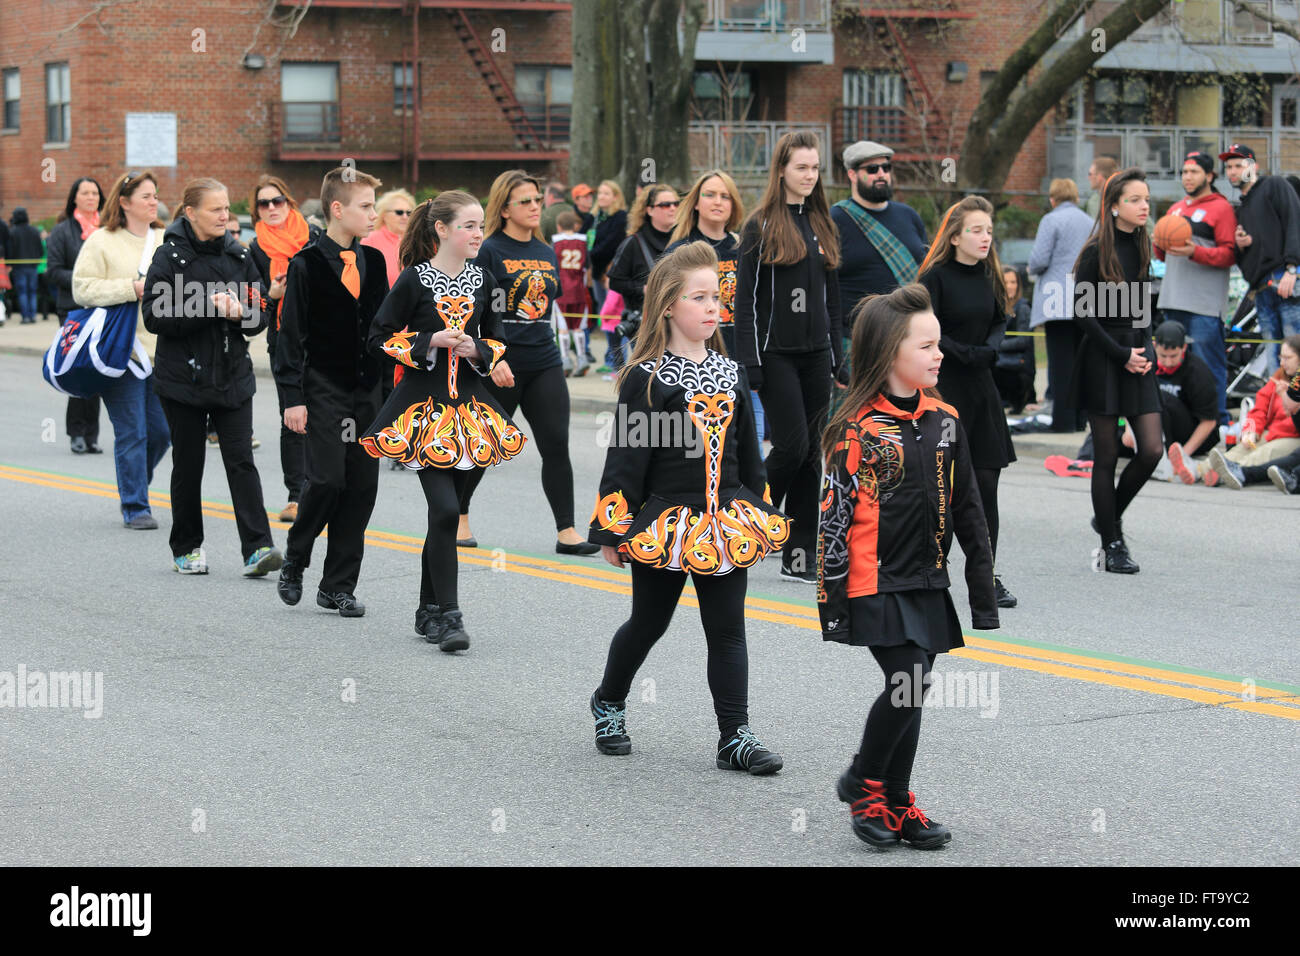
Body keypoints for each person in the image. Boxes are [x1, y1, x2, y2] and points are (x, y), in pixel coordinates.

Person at [587, 240, 787, 773]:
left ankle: (734, 737)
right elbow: (627, 457)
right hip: (667, 521)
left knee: (727, 629)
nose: (712, 307)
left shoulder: (731, 370)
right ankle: (609, 700)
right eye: (699, 297)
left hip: (726, 520)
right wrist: (614, 527)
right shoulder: (645, 377)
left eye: (716, 296)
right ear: (669, 305)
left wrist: (764, 516)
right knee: (649, 623)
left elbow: (750, 454)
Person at [818, 282, 998, 850]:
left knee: (914, 684)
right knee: (910, 680)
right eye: (925, 346)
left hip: (925, 577)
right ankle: (864, 784)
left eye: (938, 343)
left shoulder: (945, 418)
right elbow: (831, 520)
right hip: (872, 579)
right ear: (889, 353)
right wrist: (833, 602)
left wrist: (981, 588)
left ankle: (896, 797)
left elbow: (969, 505)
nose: (938, 355)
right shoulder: (855, 429)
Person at [359, 191, 526, 651]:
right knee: (447, 511)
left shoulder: (486, 280)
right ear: (442, 229)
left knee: (444, 517)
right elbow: (377, 337)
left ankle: (428, 610)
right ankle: (450, 618)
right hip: (422, 411)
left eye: (480, 226)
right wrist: (429, 339)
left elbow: (498, 340)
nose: (478, 235)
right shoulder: (414, 279)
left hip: (471, 413)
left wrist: (479, 350)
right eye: (469, 226)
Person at [141, 178, 281, 576]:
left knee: (241, 462)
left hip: (232, 376)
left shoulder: (239, 255)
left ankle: (258, 547)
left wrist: (243, 313)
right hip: (182, 380)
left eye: (227, 209)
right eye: (215, 209)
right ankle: (186, 547)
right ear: (190, 213)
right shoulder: (168, 257)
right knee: (189, 465)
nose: (225, 216)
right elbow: (153, 315)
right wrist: (208, 305)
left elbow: (260, 316)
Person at [454, 170, 598, 556]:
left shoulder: (546, 250)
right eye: (526, 201)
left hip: (544, 358)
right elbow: (473, 311)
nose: (536, 207)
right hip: (501, 359)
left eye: (538, 199)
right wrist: (490, 356)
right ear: (504, 208)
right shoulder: (488, 250)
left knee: (556, 443)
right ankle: (460, 515)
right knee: (485, 443)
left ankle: (566, 530)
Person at [272, 167, 387, 617]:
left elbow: (383, 333)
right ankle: (297, 556)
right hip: (322, 389)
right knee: (326, 480)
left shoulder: (374, 262)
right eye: (365, 206)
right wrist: (292, 399)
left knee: (361, 487)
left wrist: (388, 398)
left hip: (367, 393)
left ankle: (337, 584)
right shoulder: (306, 265)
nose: (373, 215)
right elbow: (291, 339)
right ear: (337, 210)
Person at [734, 130, 843, 583]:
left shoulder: (824, 223)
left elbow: (832, 301)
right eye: (801, 167)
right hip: (774, 355)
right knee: (792, 446)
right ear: (781, 170)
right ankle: (747, 521)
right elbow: (745, 301)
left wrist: (840, 357)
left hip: (817, 354)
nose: (809, 176)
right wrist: (750, 362)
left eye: (815, 168)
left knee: (813, 457)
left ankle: (800, 557)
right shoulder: (759, 226)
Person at [918, 196, 1018, 607]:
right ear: (955, 235)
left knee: (987, 483)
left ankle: (986, 574)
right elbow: (927, 328)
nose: (984, 237)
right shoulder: (935, 277)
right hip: (945, 388)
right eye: (976, 230)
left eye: (989, 231)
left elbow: (999, 320)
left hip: (982, 390)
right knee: (942, 485)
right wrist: (962, 352)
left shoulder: (991, 275)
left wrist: (989, 350)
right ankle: (930, 566)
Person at [1068, 167, 1159, 574]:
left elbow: (1144, 312)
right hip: (1104, 356)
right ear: (1115, 206)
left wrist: (1147, 350)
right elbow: (1083, 315)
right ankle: (1112, 543)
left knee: (1152, 450)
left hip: (1137, 355)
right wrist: (1121, 354)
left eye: (1146, 199)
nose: (1144, 206)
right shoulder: (1094, 252)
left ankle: (1107, 516)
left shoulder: (1143, 246)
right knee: (1105, 455)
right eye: (1136, 200)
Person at [72, 170, 171, 530]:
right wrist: (132, 288)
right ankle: (135, 506)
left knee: (161, 433)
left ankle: (135, 482)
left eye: (155, 195)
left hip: (162, 353)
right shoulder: (102, 240)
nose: (153, 201)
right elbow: (82, 289)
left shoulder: (166, 238)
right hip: (120, 352)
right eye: (145, 196)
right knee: (133, 431)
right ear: (125, 202)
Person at [247, 174, 321, 523]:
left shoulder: (314, 237)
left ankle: (322, 488)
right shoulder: (255, 249)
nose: (272, 207)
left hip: (321, 337)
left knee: (323, 414)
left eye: (277, 201)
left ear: (289, 203)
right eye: (264, 203)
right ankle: (296, 494)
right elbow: (253, 303)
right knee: (292, 414)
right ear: (256, 211)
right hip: (283, 340)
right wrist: (271, 296)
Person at [1154, 151, 1237, 426]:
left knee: (1208, 367)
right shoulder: (1175, 208)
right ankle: (1184, 424)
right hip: (1173, 299)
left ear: (1210, 176)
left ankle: (1219, 426)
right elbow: (1163, 256)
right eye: (1185, 172)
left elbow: (1229, 255)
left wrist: (1195, 251)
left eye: (1194, 172)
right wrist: (1158, 242)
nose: (1187, 177)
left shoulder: (1221, 208)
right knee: (1172, 369)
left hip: (1203, 304)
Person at [830, 141, 928, 339]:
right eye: (872, 169)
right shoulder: (834, 220)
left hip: (909, 335)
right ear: (852, 175)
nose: (882, 174)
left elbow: (927, 272)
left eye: (886, 167)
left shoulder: (909, 216)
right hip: (858, 338)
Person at [1223, 143, 1300, 373]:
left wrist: (1292, 269)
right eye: (1229, 167)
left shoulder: (1274, 185)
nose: (1233, 171)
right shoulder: (1241, 208)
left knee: (1295, 351)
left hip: (1285, 280)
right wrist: (1241, 246)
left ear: (1253, 166)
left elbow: (1294, 222)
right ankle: (1282, 407)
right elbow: (1245, 258)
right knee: (1277, 358)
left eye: (1239, 165)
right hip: (1261, 290)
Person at [44, 176, 105, 454]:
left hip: (104, 310)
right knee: (78, 368)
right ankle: (76, 432)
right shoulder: (62, 231)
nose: (91, 197)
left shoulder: (107, 230)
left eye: (95, 193)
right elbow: (54, 271)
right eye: (86, 193)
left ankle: (92, 435)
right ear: (75, 198)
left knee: (97, 371)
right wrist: (86, 280)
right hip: (73, 309)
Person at [1027, 178, 1094, 432]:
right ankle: (1080, 419)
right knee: (1080, 363)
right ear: (1076, 197)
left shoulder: (1051, 220)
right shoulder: (1090, 222)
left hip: (1057, 301)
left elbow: (1039, 259)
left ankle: (1063, 421)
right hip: (1085, 298)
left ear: (1053, 199)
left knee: (1060, 365)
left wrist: (1030, 269)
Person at [1206, 334, 1300, 489]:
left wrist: (1284, 394)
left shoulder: (1296, 382)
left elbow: (1293, 412)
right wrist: (1251, 430)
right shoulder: (1279, 376)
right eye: (1281, 357)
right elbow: (1259, 408)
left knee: (1266, 451)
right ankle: (1201, 469)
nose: (1282, 363)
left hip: (1292, 436)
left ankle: (1229, 473)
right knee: (1246, 445)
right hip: (1272, 433)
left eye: (1288, 358)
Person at [605, 182, 680, 375]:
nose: (672, 208)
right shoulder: (633, 243)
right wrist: (643, 289)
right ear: (649, 210)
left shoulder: (684, 240)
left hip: (680, 321)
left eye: (675, 203)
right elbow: (615, 281)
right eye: (665, 205)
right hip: (645, 325)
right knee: (652, 381)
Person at [1149, 320, 1219, 483]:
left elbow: (1208, 422)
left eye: (1173, 356)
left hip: (1193, 431)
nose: (1167, 362)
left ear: (1184, 348)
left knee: (1161, 398)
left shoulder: (1197, 371)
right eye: (1163, 356)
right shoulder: (1147, 363)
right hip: (1157, 427)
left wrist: (1183, 455)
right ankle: (1087, 458)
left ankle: (1171, 459)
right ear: (1154, 346)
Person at [552, 209, 591, 377]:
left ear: (559, 226)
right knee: (578, 326)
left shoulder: (555, 242)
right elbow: (587, 265)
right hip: (579, 290)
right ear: (575, 225)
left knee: (563, 328)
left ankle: (565, 359)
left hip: (561, 290)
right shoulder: (582, 241)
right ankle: (582, 357)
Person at [994, 266, 1036, 414]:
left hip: (1017, 367)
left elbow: (1023, 341)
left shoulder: (1023, 308)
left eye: (1014, 282)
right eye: (1006, 282)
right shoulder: (996, 307)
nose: (1010, 286)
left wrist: (996, 346)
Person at [589, 180, 628, 329]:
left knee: (615, 313)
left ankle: (617, 351)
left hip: (612, 271)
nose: (601, 197)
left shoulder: (620, 217)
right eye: (600, 193)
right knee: (603, 311)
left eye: (606, 193)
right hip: (597, 270)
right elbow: (584, 237)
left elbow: (612, 243)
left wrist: (591, 253)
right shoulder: (595, 217)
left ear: (616, 197)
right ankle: (610, 350)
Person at [362, 188, 415, 288]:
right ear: (384, 215)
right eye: (399, 212)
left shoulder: (417, 241)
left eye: (409, 213)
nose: (404, 217)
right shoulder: (370, 239)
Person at [6, 208, 43, 323]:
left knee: (22, 291)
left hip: (19, 266)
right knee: (32, 291)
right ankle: (32, 316)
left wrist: (9, 263)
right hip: (32, 266)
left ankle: (25, 316)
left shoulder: (13, 232)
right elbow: (40, 249)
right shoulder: (34, 230)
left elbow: (9, 250)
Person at [1084, 156, 1118, 220]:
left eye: (1090, 174)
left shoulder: (1094, 201)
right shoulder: (1094, 199)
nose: (1088, 178)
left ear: (1099, 177)